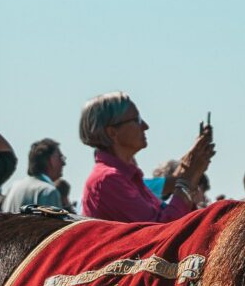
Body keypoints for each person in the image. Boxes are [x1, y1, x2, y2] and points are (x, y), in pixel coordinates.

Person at [77, 93, 214, 222]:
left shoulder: (127, 177)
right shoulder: (108, 180)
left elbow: (165, 217)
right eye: (136, 120)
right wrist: (188, 179)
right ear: (112, 132)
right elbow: (161, 231)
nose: (145, 126)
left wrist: (193, 171)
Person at [0, 136, 73, 212]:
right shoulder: (48, 191)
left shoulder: (13, 188)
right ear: (51, 160)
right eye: (60, 157)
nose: (63, 163)